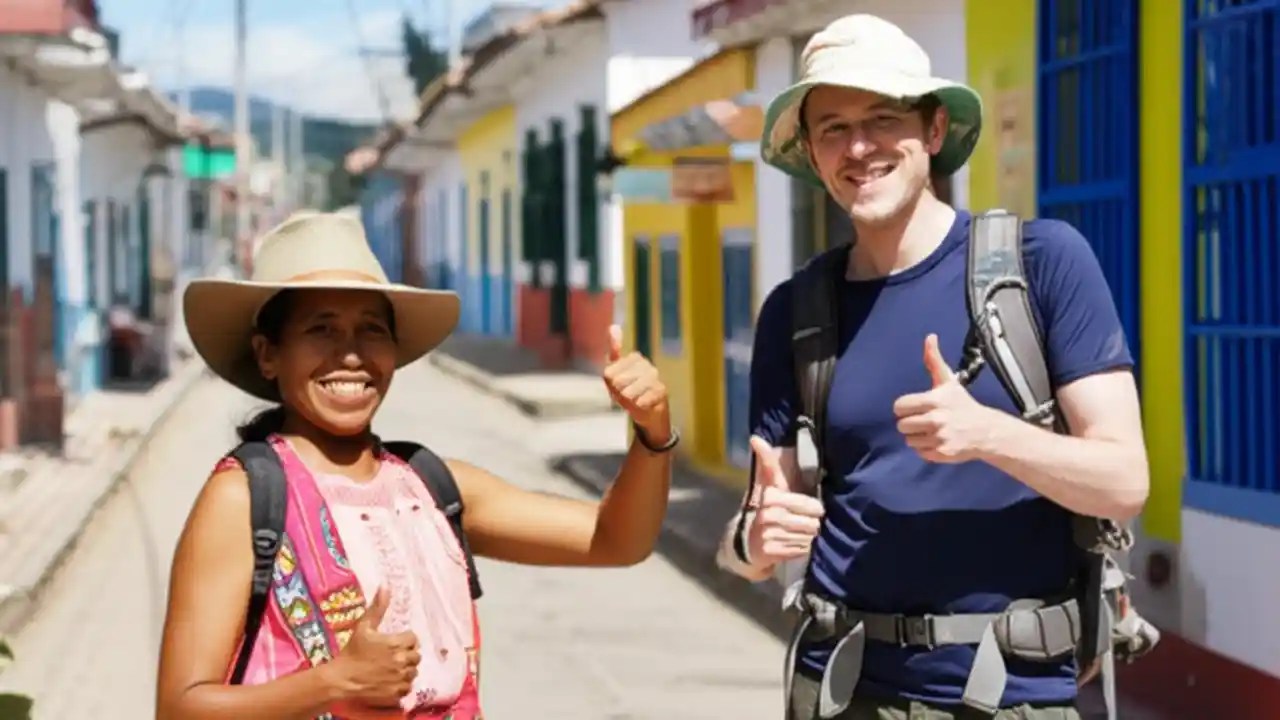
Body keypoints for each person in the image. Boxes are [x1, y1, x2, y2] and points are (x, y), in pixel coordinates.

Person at [715, 14, 1150, 720]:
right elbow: (755, 534)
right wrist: (752, 542)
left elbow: (1125, 480)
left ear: (935, 131)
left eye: (882, 118)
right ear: (814, 154)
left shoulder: (1043, 266)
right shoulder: (797, 312)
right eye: (832, 128)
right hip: (840, 692)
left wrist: (987, 436)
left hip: (1011, 697)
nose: (859, 147)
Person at [156, 211, 678, 720]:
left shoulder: (430, 487)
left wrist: (652, 433)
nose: (352, 356)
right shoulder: (244, 498)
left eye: (372, 331)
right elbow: (180, 707)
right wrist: (334, 681)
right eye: (322, 330)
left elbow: (617, 539)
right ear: (269, 354)